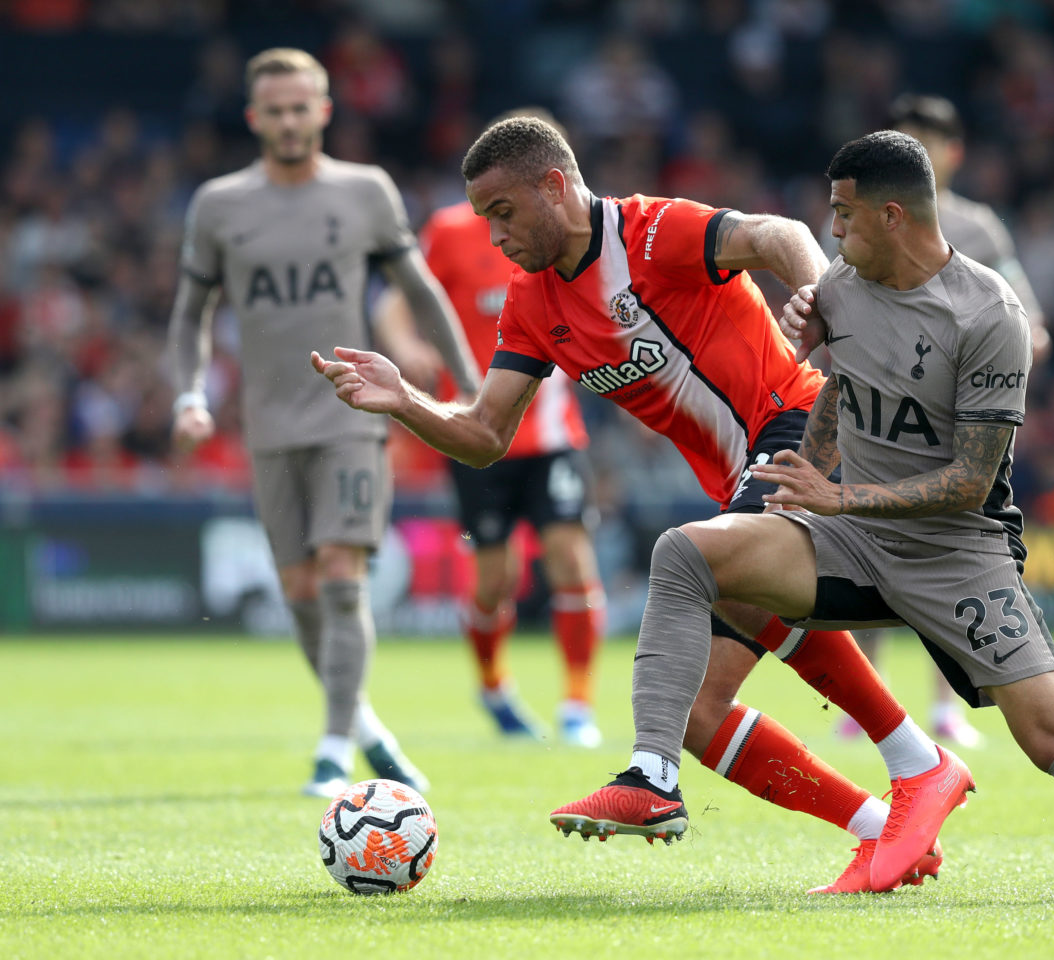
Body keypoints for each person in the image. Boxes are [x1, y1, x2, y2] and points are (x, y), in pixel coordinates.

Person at [556, 129, 1054, 901]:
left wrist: (840, 495)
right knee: (688, 554)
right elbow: (843, 385)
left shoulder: (989, 316)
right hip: (850, 539)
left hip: (956, 555)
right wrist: (815, 462)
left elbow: (971, 483)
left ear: (890, 216)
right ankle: (653, 776)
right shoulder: (841, 286)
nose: (831, 230)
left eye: (843, 213)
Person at [312, 116, 961, 894]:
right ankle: (889, 816)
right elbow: (485, 433)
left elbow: (779, 232)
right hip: (740, 476)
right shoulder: (529, 303)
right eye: (485, 220)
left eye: (505, 213)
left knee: (705, 567)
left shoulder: (653, 232)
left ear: (555, 186)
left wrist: (826, 305)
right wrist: (406, 399)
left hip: (803, 426)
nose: (495, 238)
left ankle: (664, 776)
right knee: (700, 710)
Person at [168, 48, 482, 799]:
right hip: (269, 427)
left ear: (323, 110)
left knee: (342, 579)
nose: (286, 120)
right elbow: (190, 313)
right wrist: (189, 394)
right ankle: (367, 726)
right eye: (272, 110)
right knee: (301, 591)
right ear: (253, 118)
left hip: (351, 413)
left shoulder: (365, 191)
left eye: (298, 107)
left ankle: (333, 750)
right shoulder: (219, 205)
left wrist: (470, 386)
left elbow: (423, 290)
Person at [374, 110, 604, 746]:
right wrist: (403, 345)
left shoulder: (570, 232)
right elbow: (395, 299)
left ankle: (577, 704)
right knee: (494, 575)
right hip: (477, 433)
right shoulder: (451, 231)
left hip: (552, 434)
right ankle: (494, 686)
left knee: (569, 558)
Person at [837, 93, 1054, 749]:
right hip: (878, 416)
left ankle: (945, 705)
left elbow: (1032, 326)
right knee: (870, 549)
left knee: (953, 555)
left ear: (952, 154)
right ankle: (867, 701)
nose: (917, 155)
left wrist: (993, 373)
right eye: (904, 143)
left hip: (955, 424)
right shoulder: (861, 220)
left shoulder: (981, 230)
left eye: (927, 145)